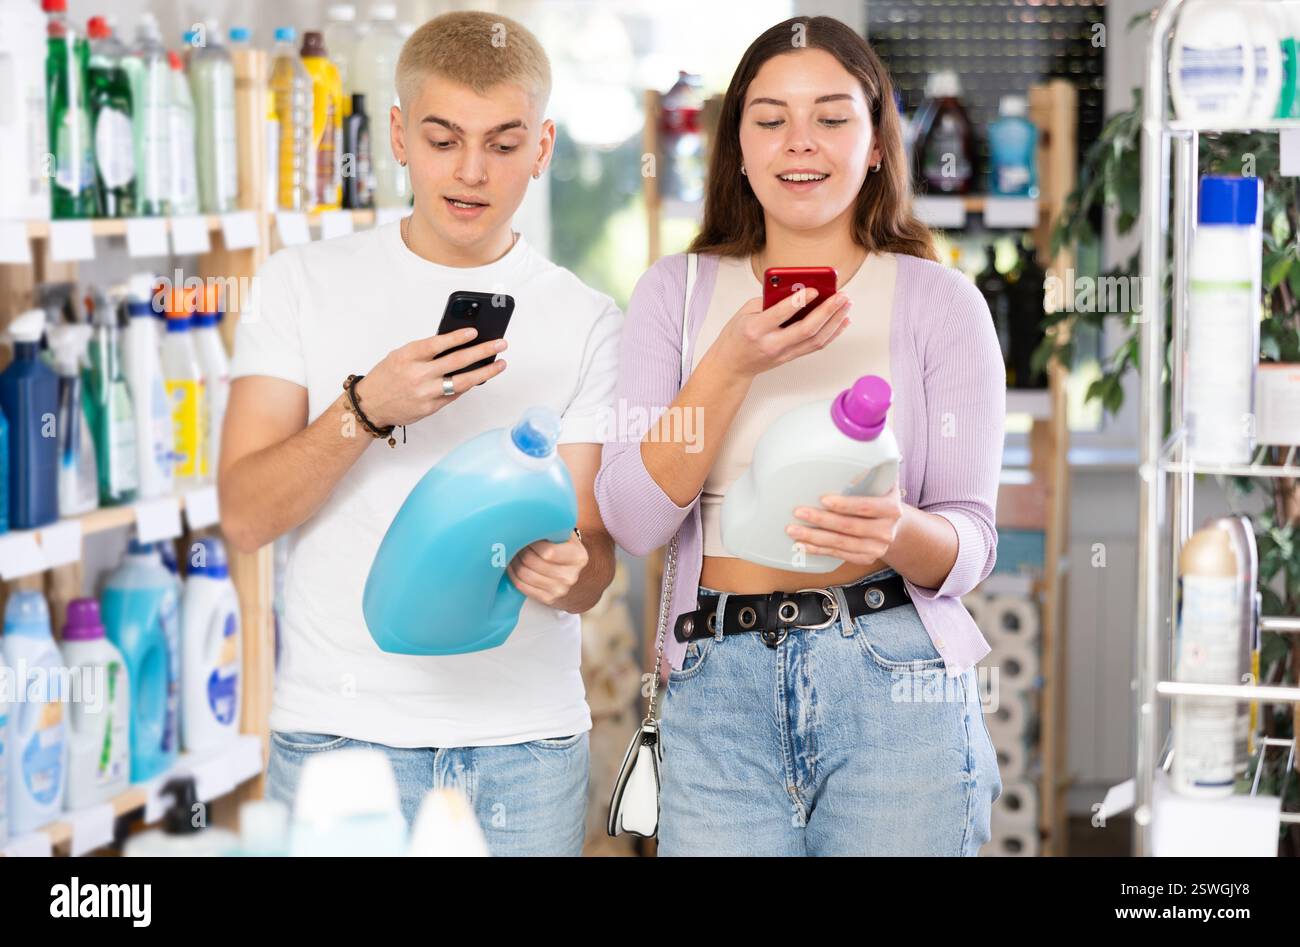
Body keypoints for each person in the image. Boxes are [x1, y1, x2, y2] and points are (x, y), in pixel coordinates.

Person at [595, 15, 1004, 856]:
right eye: (770, 118)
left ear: (879, 142)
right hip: (717, 685)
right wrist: (729, 364)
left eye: (831, 115)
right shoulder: (672, 297)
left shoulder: (942, 304)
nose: (799, 142)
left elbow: (970, 544)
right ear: (737, 147)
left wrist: (900, 529)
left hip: (897, 679)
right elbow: (633, 522)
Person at [220, 11, 620, 856]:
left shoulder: (587, 321)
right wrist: (367, 407)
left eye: (504, 144)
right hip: (340, 737)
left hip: (525, 748)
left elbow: (594, 569)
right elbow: (246, 517)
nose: (471, 172)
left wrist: (566, 566)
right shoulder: (300, 283)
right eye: (443, 139)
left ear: (543, 147)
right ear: (399, 136)